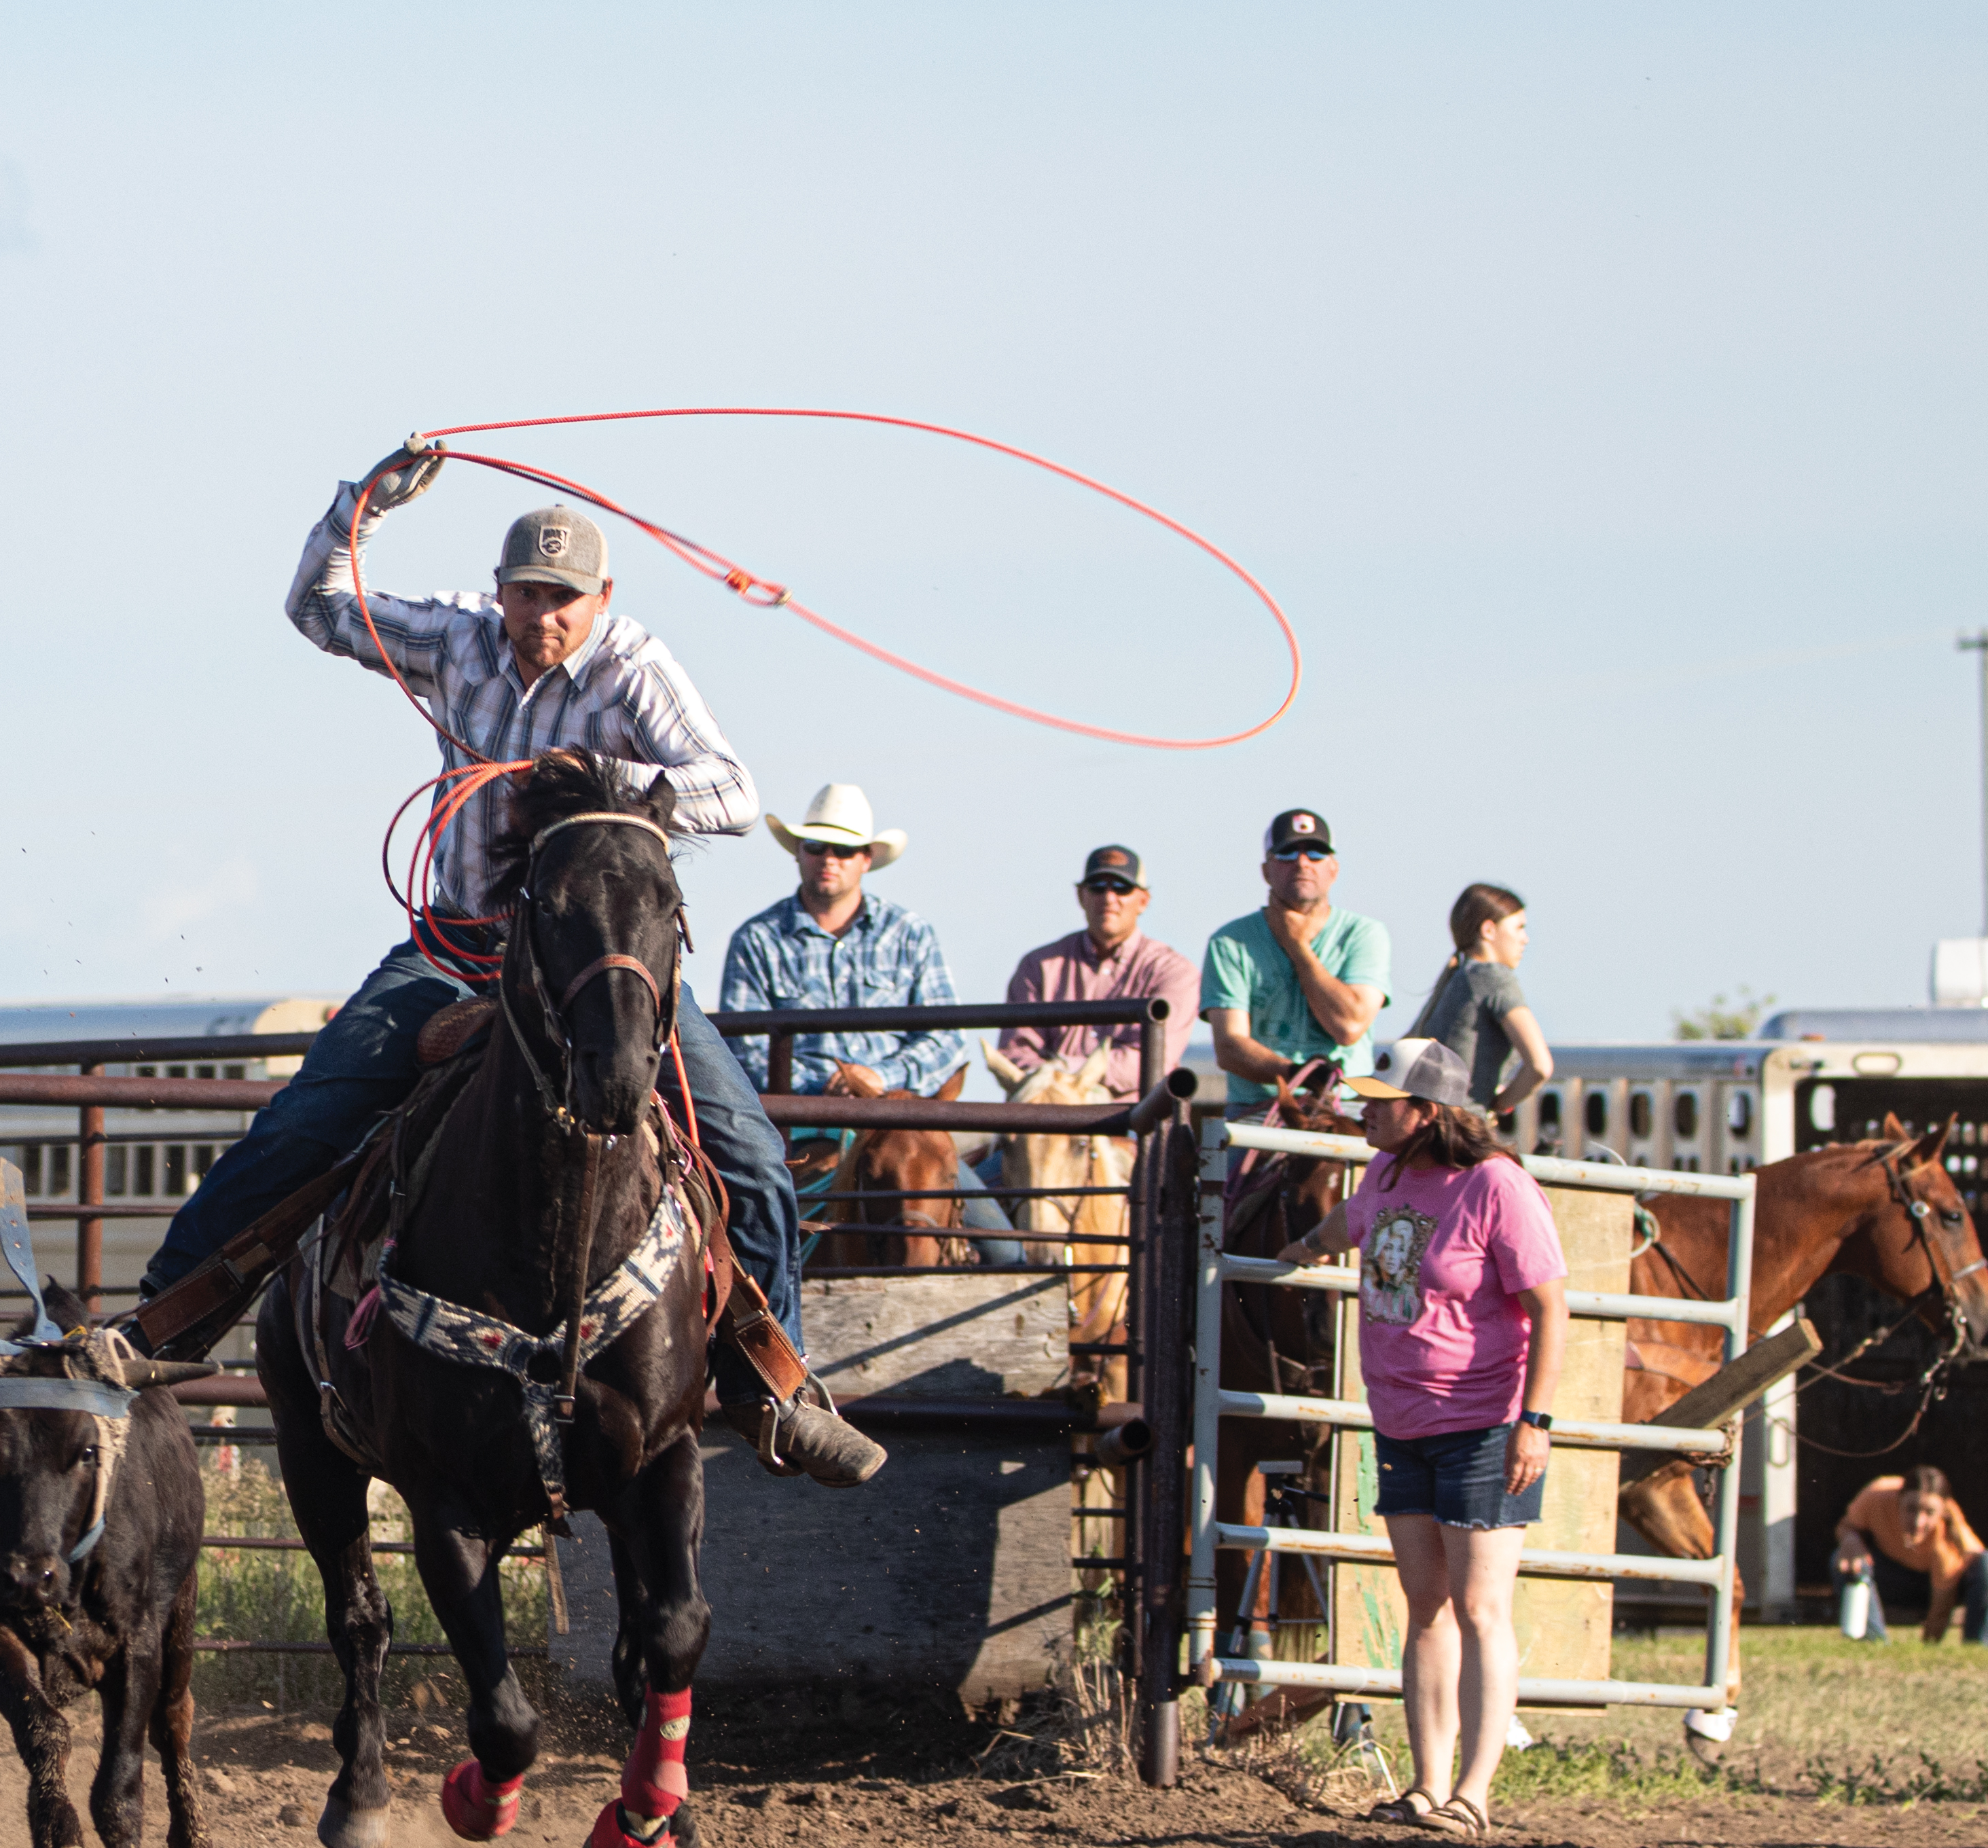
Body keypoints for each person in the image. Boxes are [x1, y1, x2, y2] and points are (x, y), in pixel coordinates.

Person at [135, 452, 884, 1487]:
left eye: (564, 599)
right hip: (456, 949)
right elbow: (317, 609)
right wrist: (364, 507)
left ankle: (773, 1383)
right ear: (501, 592)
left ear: (599, 601)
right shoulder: (454, 638)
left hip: (597, 966)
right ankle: (160, 1326)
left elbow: (730, 790)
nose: (544, 615)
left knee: (749, 1152)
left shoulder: (633, 667)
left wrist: (600, 779)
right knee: (303, 1121)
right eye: (528, 593)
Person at [1278, 1036, 1568, 1837]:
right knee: (1425, 1605)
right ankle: (1427, 1785)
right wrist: (1305, 1247)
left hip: (1482, 1422)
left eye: (1379, 1101)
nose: (1363, 1111)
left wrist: (1533, 1421)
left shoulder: (1497, 1185)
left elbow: (1549, 1306)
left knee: (1479, 1606)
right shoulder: (1388, 1171)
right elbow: (1355, 1220)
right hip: (1401, 1420)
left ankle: (1474, 1791)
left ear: (1426, 1112)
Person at [719, 782, 1017, 1262]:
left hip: (906, 1126)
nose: (829, 858)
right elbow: (744, 1052)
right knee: (756, 1252)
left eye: (845, 848)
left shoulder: (910, 934)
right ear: (799, 852)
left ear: (867, 859)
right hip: (805, 1132)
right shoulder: (757, 940)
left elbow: (944, 1039)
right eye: (816, 846)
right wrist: (827, 1086)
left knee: (1006, 1254)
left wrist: (879, 1083)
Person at [1204, 807, 1392, 1108]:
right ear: (1266, 870)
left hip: (1347, 1109)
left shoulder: (1365, 934)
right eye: (1288, 854)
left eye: (1316, 854)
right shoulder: (1230, 942)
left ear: (1334, 869)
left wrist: (1297, 946)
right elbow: (1229, 1047)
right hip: (1258, 1110)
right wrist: (1294, 1076)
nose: (1302, 864)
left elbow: (1348, 1027)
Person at [996, 843, 1200, 1095]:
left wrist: (1062, 1069)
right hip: (1050, 1116)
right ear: (1081, 896)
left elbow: (1154, 1060)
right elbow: (1015, 1051)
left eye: (1122, 888)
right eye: (1098, 887)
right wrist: (1057, 1086)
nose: (1108, 898)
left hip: (1132, 1122)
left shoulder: (1173, 971)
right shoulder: (1039, 966)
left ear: (1143, 900)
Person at [1404, 883, 1553, 1121]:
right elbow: (1540, 1066)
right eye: (1519, 928)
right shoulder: (1494, 978)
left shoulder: (1455, 978)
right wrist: (1499, 1104)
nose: (1525, 939)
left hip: (1425, 1124)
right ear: (1488, 930)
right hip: (1462, 1128)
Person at [1835, 1464, 1988, 1645]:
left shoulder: (1948, 1536)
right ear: (1898, 1499)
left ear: (1943, 1511)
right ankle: (1874, 1644)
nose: (1918, 1522)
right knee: (1843, 1558)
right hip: (1888, 1579)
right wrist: (1851, 1541)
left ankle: (1976, 1648)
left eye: (1929, 1512)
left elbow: (1940, 1610)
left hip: (1940, 1590)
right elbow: (1847, 1526)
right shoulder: (1877, 1495)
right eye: (1911, 1509)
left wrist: (1928, 1650)